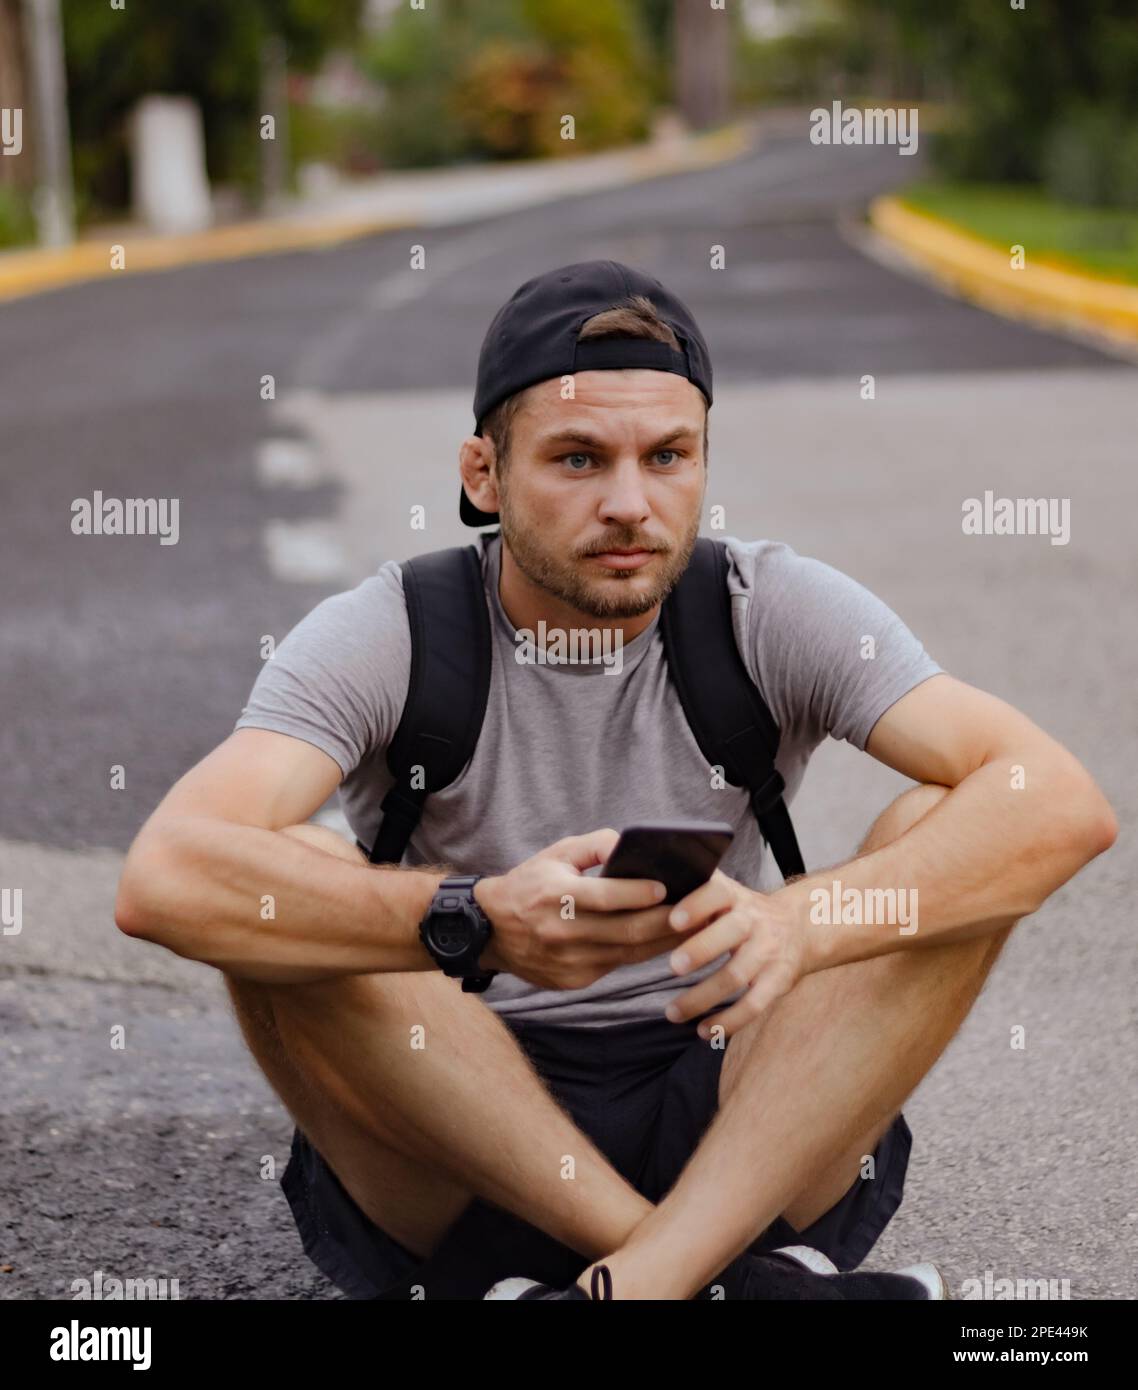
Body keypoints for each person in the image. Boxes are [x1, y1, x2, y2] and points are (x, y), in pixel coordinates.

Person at [114, 260, 1117, 1301]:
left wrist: (804, 923)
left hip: (736, 1116)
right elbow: (169, 875)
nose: (631, 504)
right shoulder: (389, 634)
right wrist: (474, 916)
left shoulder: (762, 605)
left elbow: (1056, 803)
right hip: (453, 1138)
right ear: (482, 473)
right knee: (290, 873)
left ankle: (636, 1284)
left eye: (668, 456)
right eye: (579, 459)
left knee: (948, 821)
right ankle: (715, 1278)